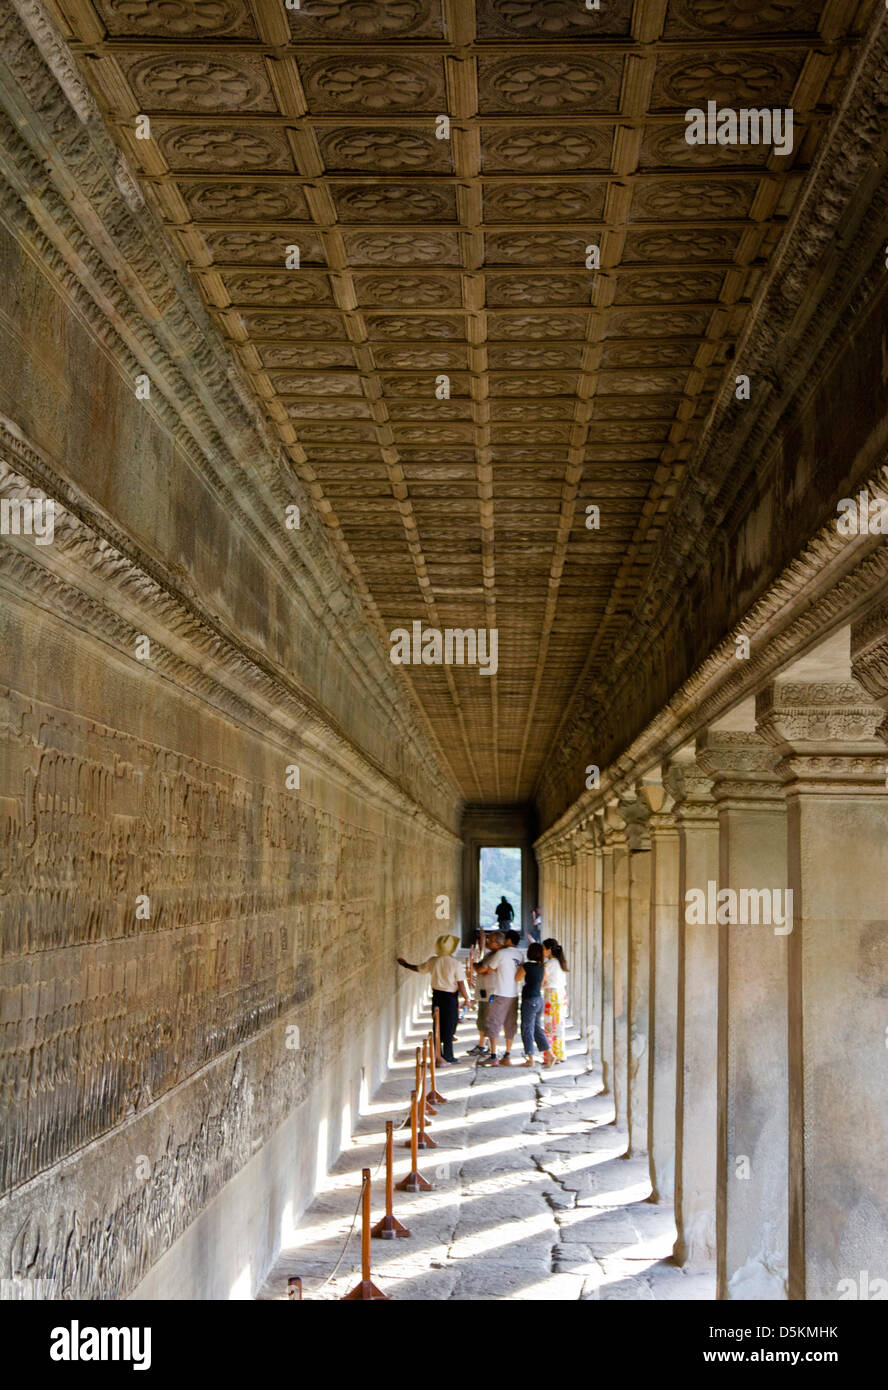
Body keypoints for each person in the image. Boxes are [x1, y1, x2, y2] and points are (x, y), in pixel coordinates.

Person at [397, 935, 468, 1065]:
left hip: (437, 996)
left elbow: (419, 969)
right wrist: (466, 998)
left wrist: (405, 964)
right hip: (450, 997)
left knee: (437, 1024)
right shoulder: (455, 963)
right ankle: (448, 1055)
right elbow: (461, 983)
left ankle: (438, 1054)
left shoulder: (433, 961)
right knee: (450, 1025)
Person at [477, 928, 524, 1066]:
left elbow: (489, 970)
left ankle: (493, 1055)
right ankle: (507, 1055)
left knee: (494, 1023)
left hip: (499, 993)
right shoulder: (520, 954)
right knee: (510, 1023)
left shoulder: (501, 953)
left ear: (507, 940)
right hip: (514, 994)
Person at [515, 942, 553, 1068]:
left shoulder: (527, 966)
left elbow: (517, 978)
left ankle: (530, 1058)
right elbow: (542, 982)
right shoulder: (542, 967)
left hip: (529, 1000)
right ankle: (550, 1054)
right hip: (539, 1000)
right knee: (537, 1028)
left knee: (527, 1029)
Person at [467, 929, 501, 1057]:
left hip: (490, 992)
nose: (488, 942)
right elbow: (482, 969)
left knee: (488, 1020)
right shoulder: (489, 954)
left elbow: (480, 968)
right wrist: (479, 967)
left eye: (491, 940)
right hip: (484, 992)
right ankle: (482, 1045)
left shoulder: (495, 956)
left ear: (498, 943)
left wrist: (476, 965)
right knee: (481, 1020)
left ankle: (492, 1050)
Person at [542, 938, 568, 1064]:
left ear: (549, 950)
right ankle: (559, 1054)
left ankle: (550, 1055)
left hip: (551, 995)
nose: (542, 952)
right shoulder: (559, 962)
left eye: (543, 949)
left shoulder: (550, 963)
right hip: (561, 994)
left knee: (549, 1026)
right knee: (558, 1025)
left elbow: (542, 980)